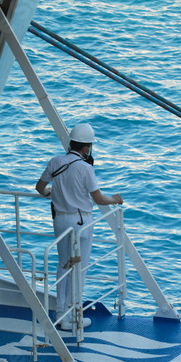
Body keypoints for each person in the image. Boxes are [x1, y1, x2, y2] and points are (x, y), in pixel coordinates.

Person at [35, 123, 124, 331]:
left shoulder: (55, 161)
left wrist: (52, 194)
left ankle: (60, 314)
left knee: (63, 265)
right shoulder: (85, 168)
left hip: (60, 220)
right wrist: (116, 199)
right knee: (79, 269)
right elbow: (99, 199)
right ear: (85, 148)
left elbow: (40, 188)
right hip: (81, 223)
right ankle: (75, 314)